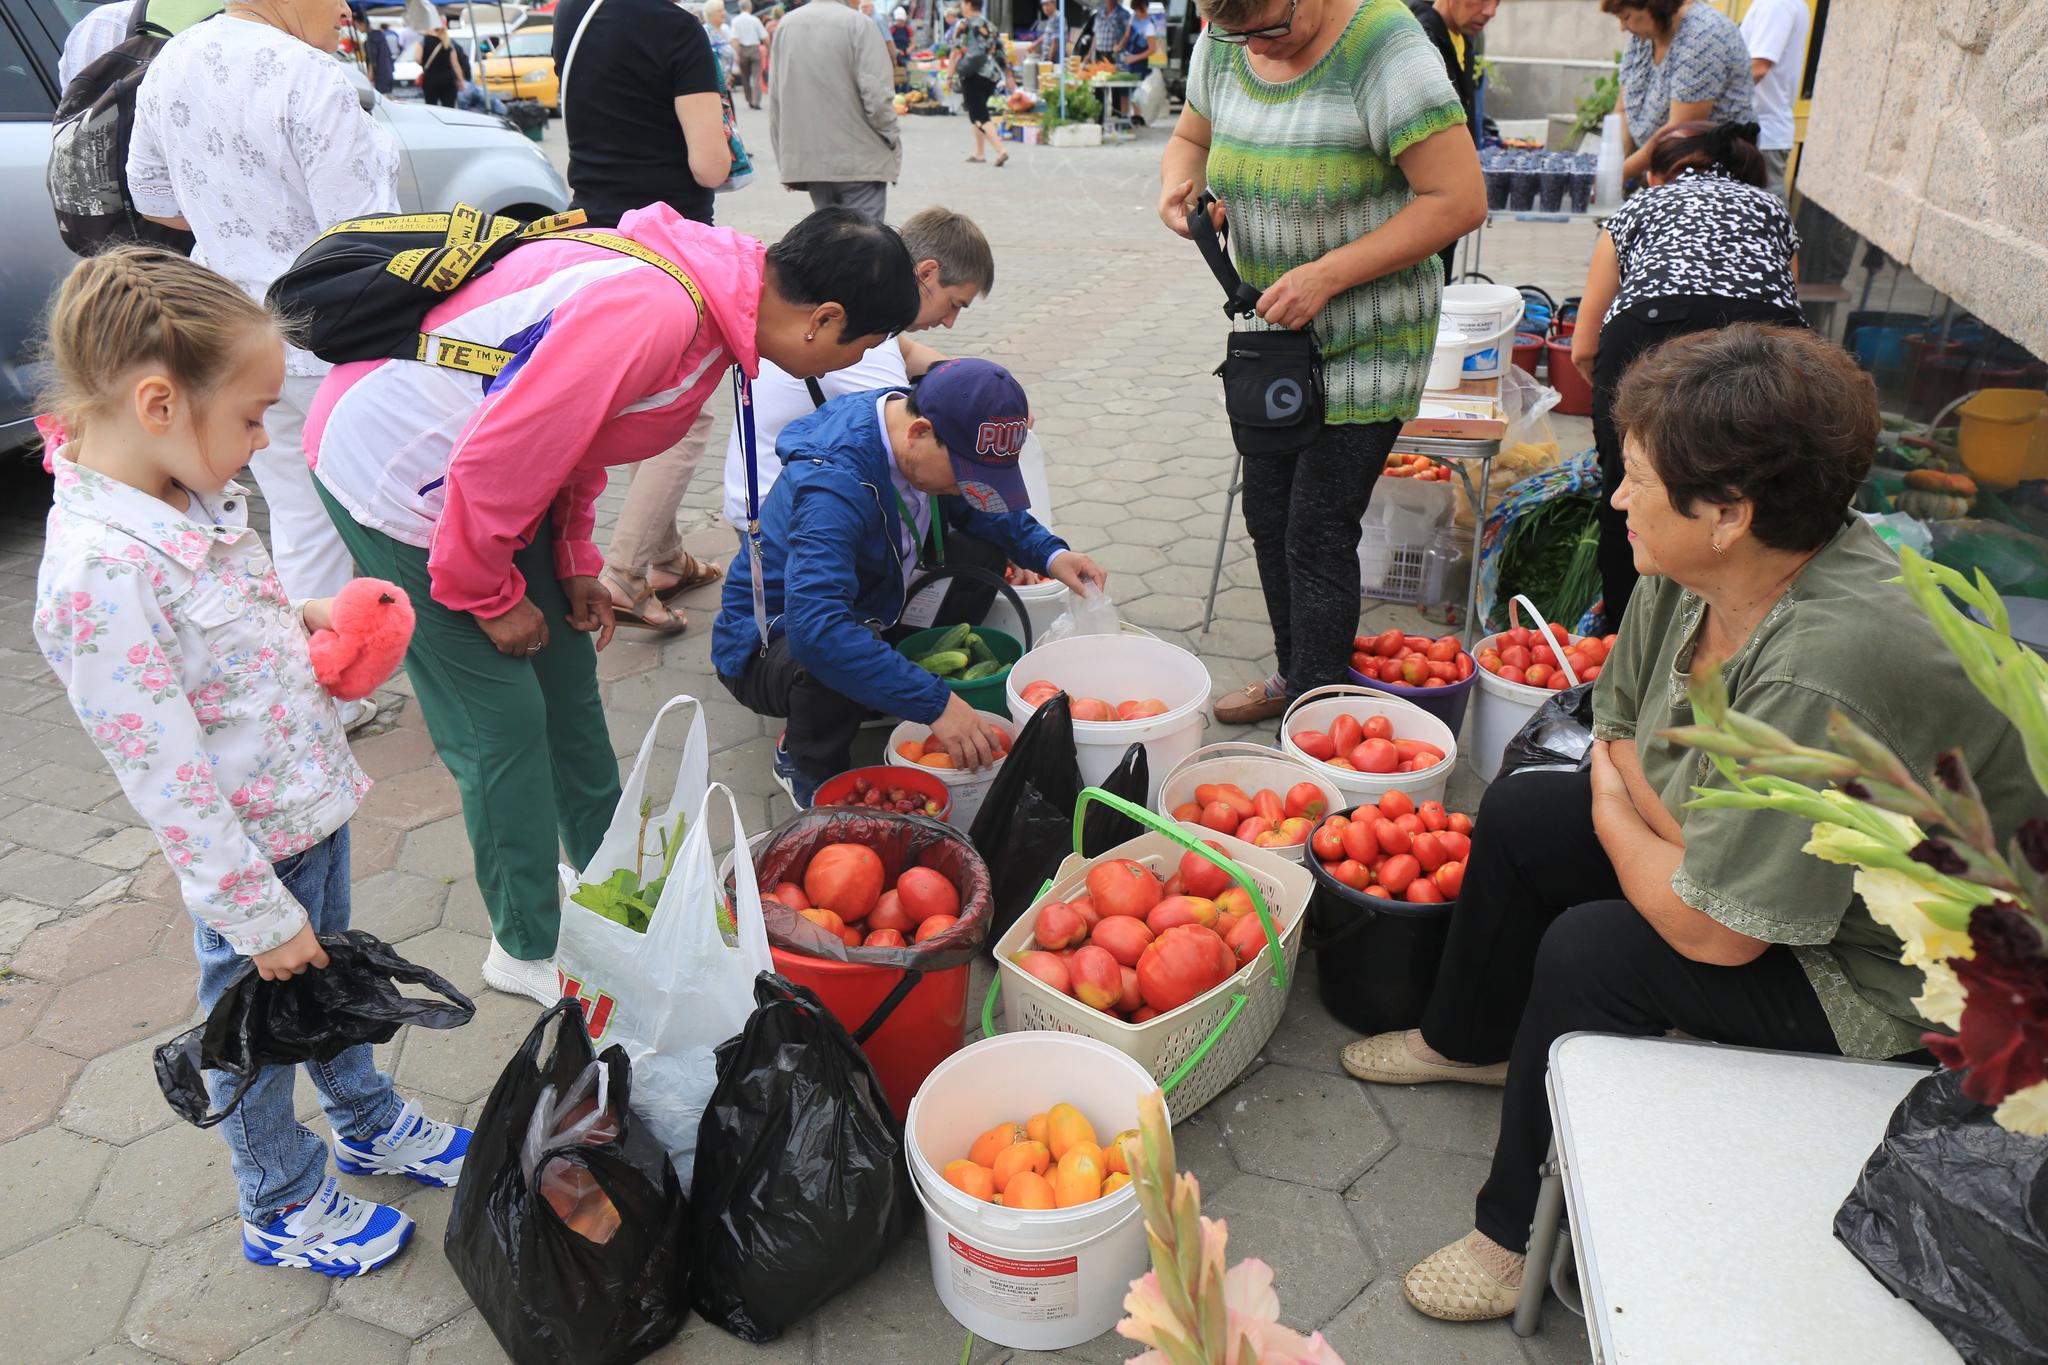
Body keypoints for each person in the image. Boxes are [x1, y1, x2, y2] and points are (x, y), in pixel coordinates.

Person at [1340, 324, 2039, 1324]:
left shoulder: (1816, 658)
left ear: (1726, 512)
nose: (1615, 497)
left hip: (1905, 975)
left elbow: (1714, 932)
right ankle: (1467, 1039)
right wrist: (1640, 811)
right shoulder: (1696, 571)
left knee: (1596, 952)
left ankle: (1509, 1238)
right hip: (1774, 860)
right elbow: (1614, 729)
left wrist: (1632, 812)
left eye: (1633, 478)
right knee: (1528, 806)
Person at [305, 208, 921, 1005]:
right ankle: (524, 940)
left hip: (487, 485)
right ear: (824, 319)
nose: (862, 361)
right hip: (398, 470)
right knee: (501, 724)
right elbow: (504, 453)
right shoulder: (658, 312)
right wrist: (489, 594)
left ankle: (611, 884)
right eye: (862, 345)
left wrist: (570, 563)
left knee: (566, 679)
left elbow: (575, 441)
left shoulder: (712, 306)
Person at [31, 248, 473, 1281]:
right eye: (251, 415)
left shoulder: (188, 494)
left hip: (304, 809)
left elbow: (227, 629)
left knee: (342, 983)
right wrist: (259, 917)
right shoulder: (100, 577)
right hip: (249, 871)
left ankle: (364, 1119)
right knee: (260, 1037)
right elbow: (168, 781)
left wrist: (305, 618)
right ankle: (278, 1197)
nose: (262, 440)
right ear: (156, 402)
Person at [1157, 0, 1485, 726]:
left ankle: (1317, 709)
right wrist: (1178, 194)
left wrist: (1329, 274)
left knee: (1317, 526)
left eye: (1270, 27)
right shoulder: (1227, 36)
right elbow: (1190, 135)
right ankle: (1297, 676)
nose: (1255, 47)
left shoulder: (1385, 44)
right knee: (1266, 510)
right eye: (1237, 35)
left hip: (1370, 339)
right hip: (1278, 341)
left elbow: (1459, 200)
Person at [128, 0, 399, 733]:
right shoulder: (312, 75)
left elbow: (151, 195)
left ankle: (311, 687)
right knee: (383, 512)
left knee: (295, 510)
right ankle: (368, 670)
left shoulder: (172, 62)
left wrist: (232, 216)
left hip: (234, 336)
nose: (345, 7)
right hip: (334, 338)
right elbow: (366, 233)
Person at [712, 360, 1108, 805]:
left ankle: (877, 685)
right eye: (963, 476)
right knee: (832, 645)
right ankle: (806, 762)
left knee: (981, 553)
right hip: (767, 643)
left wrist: (1051, 554)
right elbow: (815, 630)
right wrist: (936, 703)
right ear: (918, 433)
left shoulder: (912, 423)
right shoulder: (833, 485)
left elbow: (980, 508)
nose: (966, 489)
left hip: (871, 598)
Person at [1569, 120, 1802, 630]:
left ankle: (1628, 643)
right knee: (1759, 494)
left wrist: (1629, 406)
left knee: (1633, 493)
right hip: (1761, 341)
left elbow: (1583, 346)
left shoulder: (1636, 207)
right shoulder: (1771, 211)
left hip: (1649, 332)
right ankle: (1749, 637)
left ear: (1656, 176)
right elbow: (1789, 310)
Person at [550, 0, 734, 632]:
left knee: (637, 395)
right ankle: (626, 574)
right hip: (668, 243)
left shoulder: (574, 13)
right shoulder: (677, 29)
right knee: (685, 413)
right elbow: (710, 165)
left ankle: (665, 558)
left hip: (593, 234)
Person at [721, 207, 998, 540]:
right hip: (784, 521)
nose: (950, 322)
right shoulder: (862, 338)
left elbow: (907, 351)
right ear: (926, 275)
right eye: (954, 303)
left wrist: (974, 382)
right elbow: (915, 434)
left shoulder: (858, 304)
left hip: (763, 498)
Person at [767, 0, 903, 219]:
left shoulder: (786, 25)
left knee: (830, 242)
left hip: (812, 160)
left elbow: (776, 99)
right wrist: (891, 137)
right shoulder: (859, 24)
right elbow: (876, 95)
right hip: (861, 158)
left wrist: (785, 161)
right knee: (866, 244)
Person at [1602, 0, 1752, 183]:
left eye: (1626, 17)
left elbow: (1679, 131)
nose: (1622, 27)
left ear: (1653, 6)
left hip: (1714, 175)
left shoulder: (1703, 36)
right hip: (1667, 170)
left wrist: (1618, 175)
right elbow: (1622, 110)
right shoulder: (1642, 38)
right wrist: (1612, 167)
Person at [1408, 0, 1497, 282]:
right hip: (1424, 201)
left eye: (1498, 2)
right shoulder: (1421, 36)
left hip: (1451, 199)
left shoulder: (1461, 38)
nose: (1490, 11)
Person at [1740, 0, 1808, 199]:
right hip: (1761, 132)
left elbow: (1759, 66)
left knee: (1765, 216)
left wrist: (1716, 96)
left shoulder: (1776, 4)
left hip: (1762, 134)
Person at [951, 0, 1013, 167]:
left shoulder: (965, 25)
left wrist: (949, 76)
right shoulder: (990, 25)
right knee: (977, 112)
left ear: (969, 4)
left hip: (973, 75)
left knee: (979, 115)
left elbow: (956, 52)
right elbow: (1000, 52)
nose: (961, 7)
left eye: (963, 3)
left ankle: (1000, 150)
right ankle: (979, 153)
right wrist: (1008, 76)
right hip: (990, 76)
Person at [418, 21, 471, 107]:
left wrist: (425, 64)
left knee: (431, 107)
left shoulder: (424, 41)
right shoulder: (448, 43)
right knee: (449, 107)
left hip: (431, 80)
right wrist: (460, 80)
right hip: (448, 81)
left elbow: (417, 59)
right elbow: (455, 64)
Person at [731, 0, 769, 106]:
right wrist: (768, 49)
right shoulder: (755, 20)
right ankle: (756, 102)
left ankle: (749, 99)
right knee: (757, 77)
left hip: (742, 49)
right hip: (754, 49)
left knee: (745, 77)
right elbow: (765, 37)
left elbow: (734, 40)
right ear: (750, 7)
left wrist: (737, 53)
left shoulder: (735, 21)